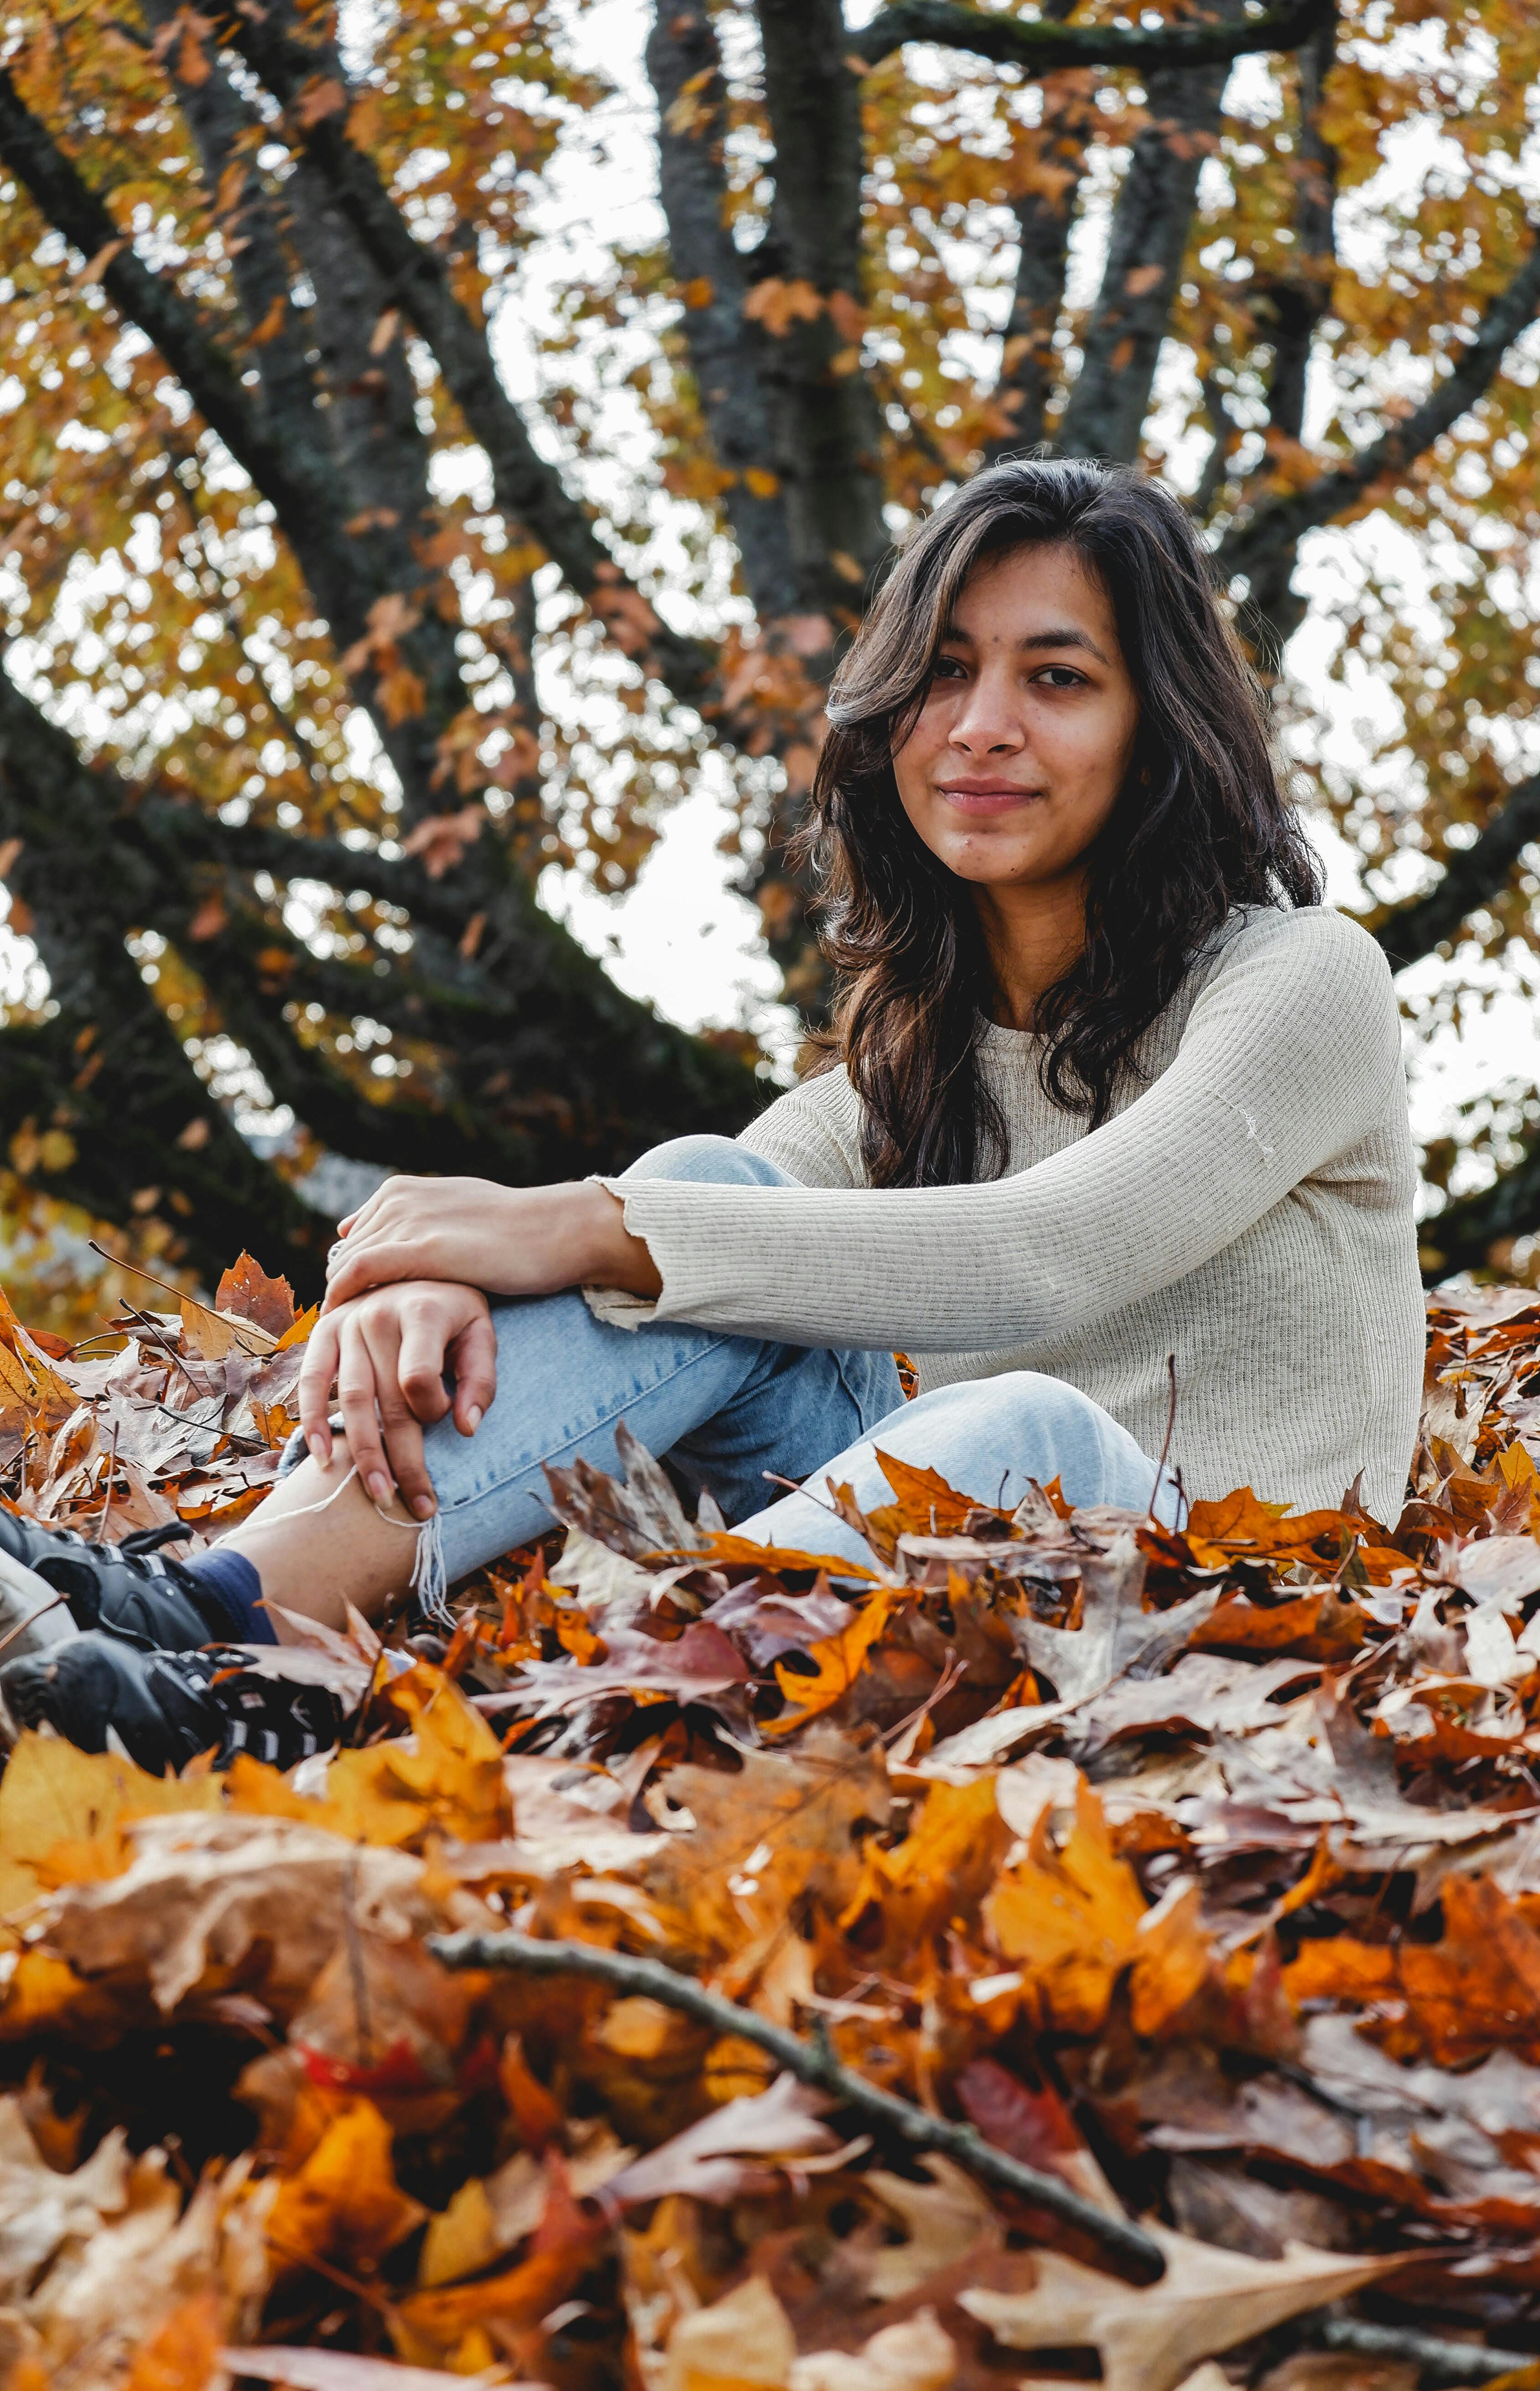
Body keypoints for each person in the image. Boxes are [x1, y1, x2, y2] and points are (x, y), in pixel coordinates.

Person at [0, 457, 1424, 1770]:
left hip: (1227, 1627)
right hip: (956, 1594)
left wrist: (567, 1222)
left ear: (1154, 724)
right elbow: (702, 1223)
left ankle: (450, 1758)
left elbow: (1057, 1246)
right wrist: (429, 1276)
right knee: (714, 1190)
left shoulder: (1303, 980)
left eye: (1057, 678)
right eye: (941, 673)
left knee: (1014, 1426)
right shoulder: (906, 1066)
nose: (981, 727)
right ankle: (208, 1623)